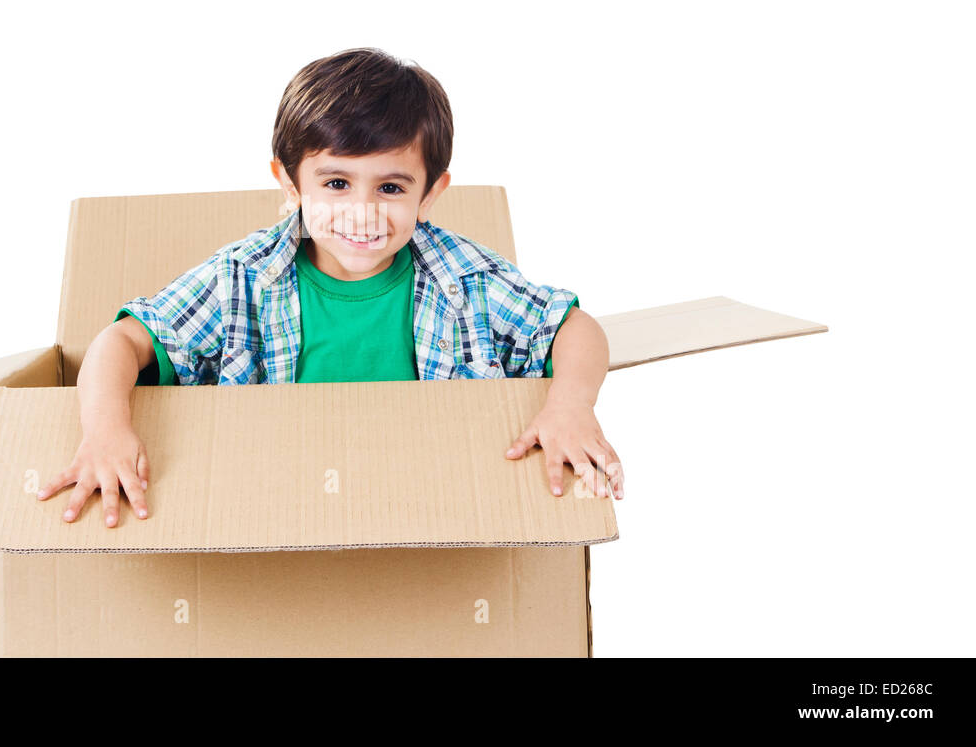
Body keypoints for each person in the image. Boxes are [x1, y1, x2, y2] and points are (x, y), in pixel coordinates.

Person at [38, 47, 622, 527]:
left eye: (391, 188)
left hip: (432, 518)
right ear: (289, 183)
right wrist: (106, 429)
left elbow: (572, 326)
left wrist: (571, 405)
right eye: (336, 183)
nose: (362, 212)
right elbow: (122, 342)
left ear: (432, 192)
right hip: (277, 520)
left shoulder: (463, 276)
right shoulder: (243, 278)